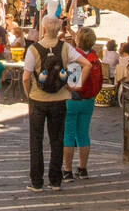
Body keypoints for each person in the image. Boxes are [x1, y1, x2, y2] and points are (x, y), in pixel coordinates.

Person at [23, 15, 90, 191]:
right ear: (58, 30)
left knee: (36, 141)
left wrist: (28, 93)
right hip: (60, 99)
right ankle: (55, 180)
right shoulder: (65, 47)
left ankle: (37, 182)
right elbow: (87, 64)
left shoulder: (33, 49)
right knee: (57, 140)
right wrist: (75, 86)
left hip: (38, 99)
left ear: (43, 30)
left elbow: (25, 76)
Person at [62, 28, 102, 180]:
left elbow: (72, 82)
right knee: (83, 134)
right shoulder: (94, 57)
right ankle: (83, 168)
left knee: (68, 135)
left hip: (73, 99)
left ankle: (67, 170)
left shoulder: (76, 58)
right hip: (89, 100)